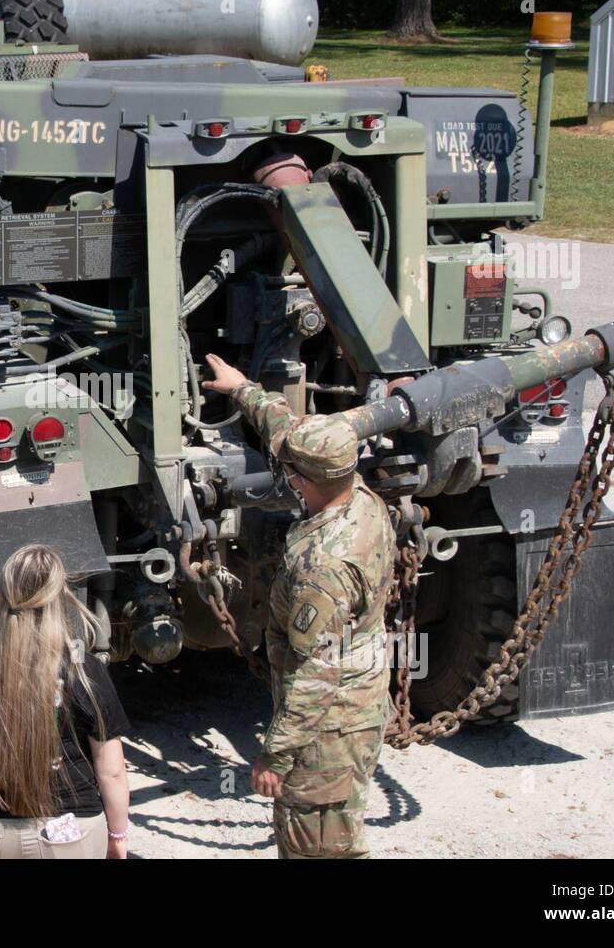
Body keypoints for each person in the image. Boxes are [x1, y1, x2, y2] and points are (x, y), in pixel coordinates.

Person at [204, 353, 395, 859]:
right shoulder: (358, 495)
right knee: (341, 826)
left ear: (301, 479)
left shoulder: (324, 567)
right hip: (361, 700)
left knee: (316, 842)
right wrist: (243, 388)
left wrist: (276, 756)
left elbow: (317, 673)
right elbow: (288, 432)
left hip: (329, 722)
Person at [0, 544, 131, 860]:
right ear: (60, 595)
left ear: (4, 591)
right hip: (69, 832)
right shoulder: (82, 667)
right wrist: (117, 834)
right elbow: (112, 771)